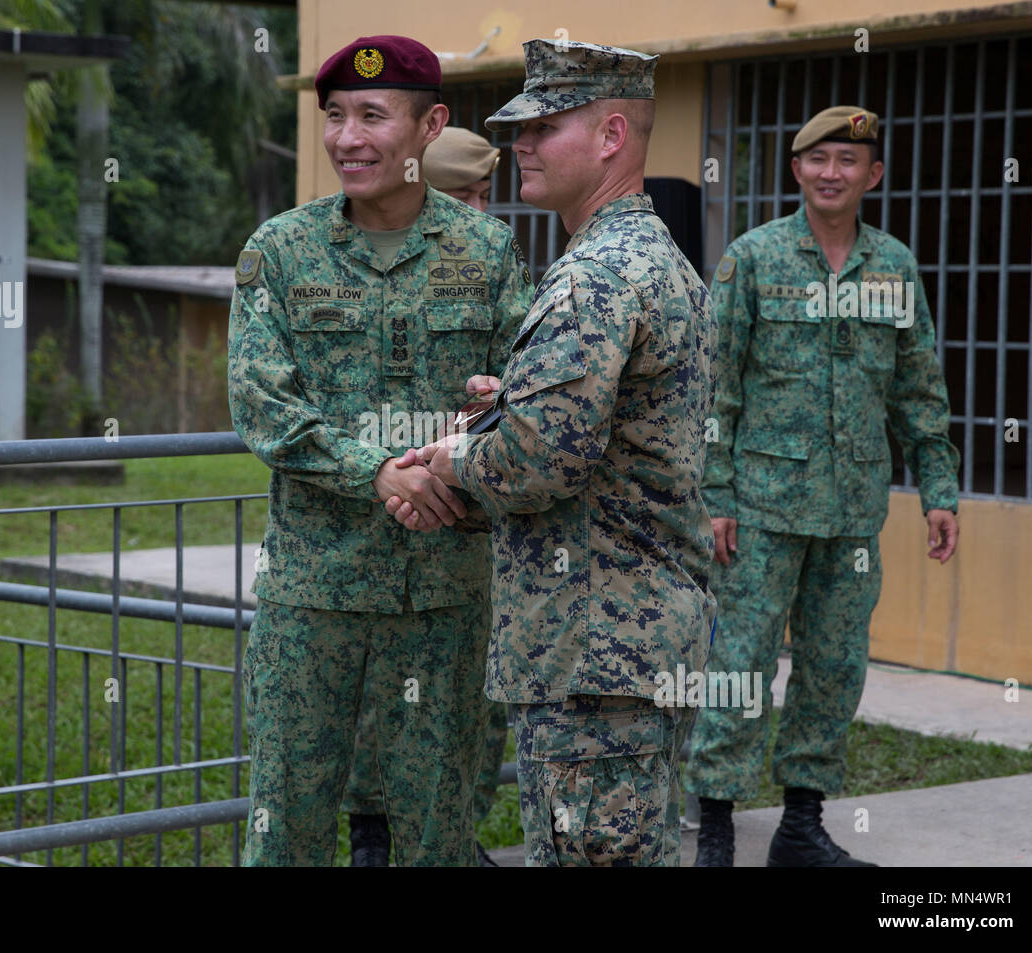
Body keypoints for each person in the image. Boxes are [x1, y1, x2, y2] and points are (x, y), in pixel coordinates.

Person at [390, 38, 718, 866]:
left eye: (545, 127)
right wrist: (507, 410)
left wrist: (446, 463)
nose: (520, 146)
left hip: (593, 652)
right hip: (628, 646)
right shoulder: (652, 258)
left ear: (612, 136)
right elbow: (611, 434)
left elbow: (540, 461)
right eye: (518, 130)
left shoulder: (595, 276)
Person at [227, 35, 532, 866]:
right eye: (334, 116)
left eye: (372, 115)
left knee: (438, 826)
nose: (349, 138)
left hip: (444, 594)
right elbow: (264, 406)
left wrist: (460, 455)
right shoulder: (281, 250)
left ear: (430, 124)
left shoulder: (488, 251)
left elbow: (523, 397)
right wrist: (379, 473)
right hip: (314, 592)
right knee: (285, 819)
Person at [686, 106, 961, 867]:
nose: (833, 173)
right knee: (738, 667)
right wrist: (714, 498)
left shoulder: (894, 267)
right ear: (797, 171)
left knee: (834, 667)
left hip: (853, 512)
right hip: (761, 511)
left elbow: (918, 389)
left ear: (873, 176)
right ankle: (715, 827)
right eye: (819, 160)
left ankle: (800, 828)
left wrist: (939, 488)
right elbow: (716, 390)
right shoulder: (753, 258)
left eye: (849, 161)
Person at [340, 126, 515, 867]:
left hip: (461, 537)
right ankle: (374, 841)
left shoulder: (491, 260)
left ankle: (454, 841)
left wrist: (490, 400)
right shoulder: (345, 263)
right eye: (465, 195)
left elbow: (522, 374)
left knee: (468, 711)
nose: (478, 212)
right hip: (359, 534)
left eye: (485, 196)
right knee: (374, 708)